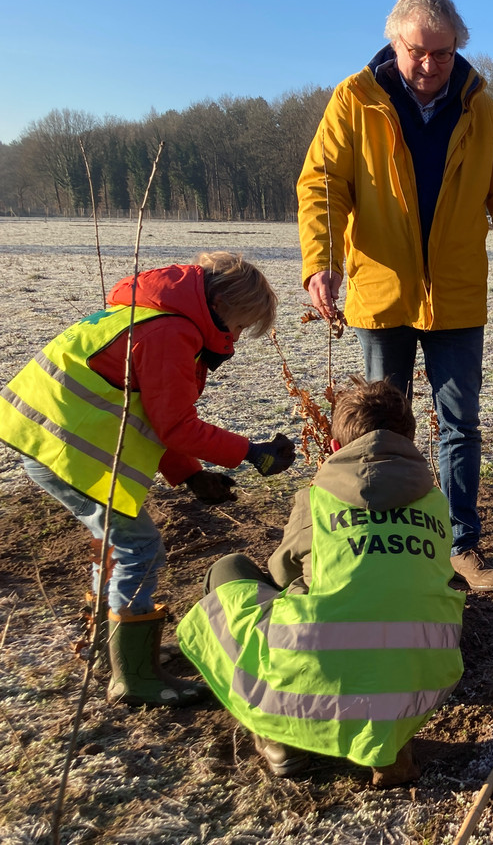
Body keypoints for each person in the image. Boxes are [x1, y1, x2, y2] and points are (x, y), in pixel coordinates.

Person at [297, 0, 493, 593]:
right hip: (381, 297)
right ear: (394, 43)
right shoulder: (354, 101)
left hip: (458, 298)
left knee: (460, 425)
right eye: (417, 52)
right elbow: (322, 185)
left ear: (458, 47)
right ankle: (386, 546)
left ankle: (460, 546)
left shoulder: (481, 111)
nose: (430, 65)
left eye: (443, 53)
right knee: (380, 430)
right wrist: (322, 262)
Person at [0, 253, 295, 707]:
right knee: (139, 548)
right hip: (63, 450)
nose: (235, 338)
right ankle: (133, 676)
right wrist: (250, 452)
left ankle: (108, 648)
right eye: (239, 325)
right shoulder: (170, 332)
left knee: (116, 545)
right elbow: (174, 425)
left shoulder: (152, 313)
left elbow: (152, 415)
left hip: (45, 441)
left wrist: (191, 475)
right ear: (221, 305)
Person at [177, 378, 465, 787]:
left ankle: (281, 738)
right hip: (427, 678)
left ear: (333, 447)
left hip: (326, 677)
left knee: (230, 570)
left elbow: (281, 575)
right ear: (411, 441)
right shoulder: (436, 502)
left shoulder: (315, 499)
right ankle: (392, 744)